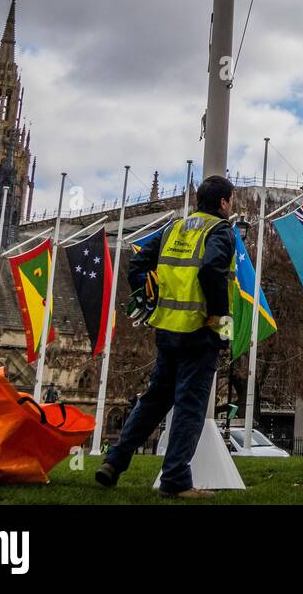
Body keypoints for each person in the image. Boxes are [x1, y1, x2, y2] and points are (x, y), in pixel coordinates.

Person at [95, 174, 236, 499]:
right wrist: (221, 323)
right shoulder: (221, 230)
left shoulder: (174, 227)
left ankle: (115, 461)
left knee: (155, 400)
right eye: (232, 200)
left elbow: (137, 263)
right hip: (200, 332)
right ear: (224, 203)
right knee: (190, 406)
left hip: (167, 329)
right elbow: (212, 269)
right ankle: (175, 480)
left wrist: (150, 297)